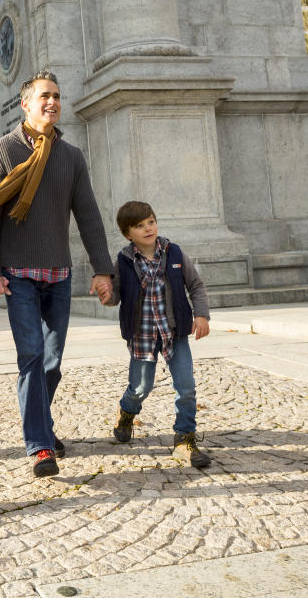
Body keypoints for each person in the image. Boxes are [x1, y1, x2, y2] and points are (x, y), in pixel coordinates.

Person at [0, 70, 115, 479]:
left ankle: (41, 426)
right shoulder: (1, 152)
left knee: (52, 362)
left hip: (59, 274)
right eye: (44, 96)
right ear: (26, 104)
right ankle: (40, 446)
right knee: (31, 357)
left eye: (57, 96)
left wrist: (103, 269)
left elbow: (88, 216)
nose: (52, 102)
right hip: (17, 276)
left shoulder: (71, 157)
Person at [110, 200, 212, 469]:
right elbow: (115, 295)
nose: (148, 228)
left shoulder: (174, 253)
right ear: (128, 233)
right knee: (141, 388)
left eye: (151, 222)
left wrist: (201, 315)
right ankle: (126, 413)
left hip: (174, 331)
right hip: (142, 335)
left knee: (186, 387)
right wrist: (106, 293)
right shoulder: (123, 260)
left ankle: (184, 438)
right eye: (140, 225)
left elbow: (196, 285)